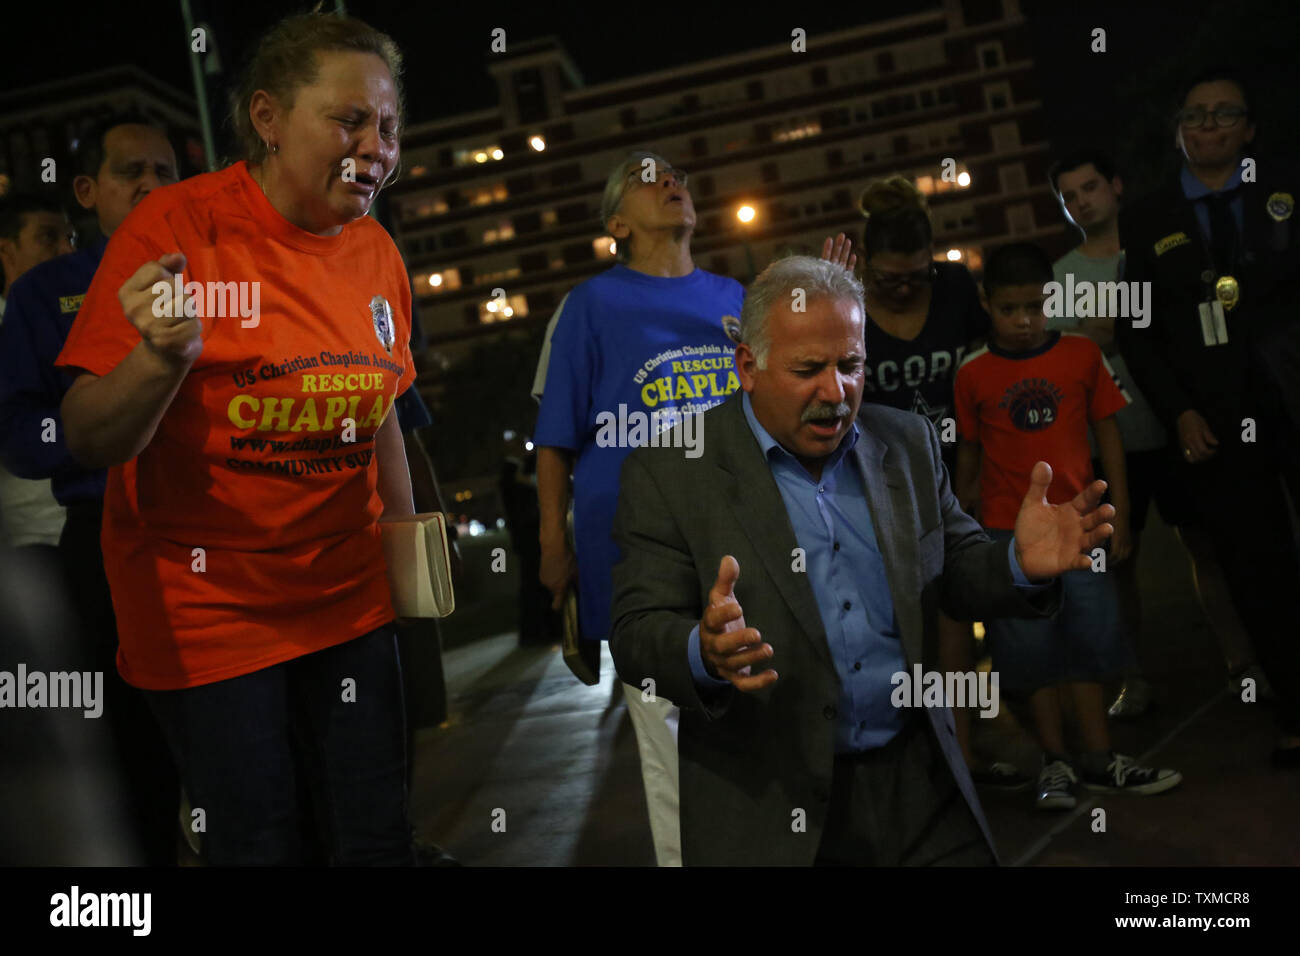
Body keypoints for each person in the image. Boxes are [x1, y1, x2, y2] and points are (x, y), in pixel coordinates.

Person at [607, 254, 1122, 866]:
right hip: (777, 805)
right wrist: (703, 650)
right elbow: (636, 635)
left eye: (851, 365)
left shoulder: (905, 442)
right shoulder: (670, 471)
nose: (836, 391)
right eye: (808, 370)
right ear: (748, 365)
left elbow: (955, 569)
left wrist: (1015, 563)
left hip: (922, 785)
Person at [54, 11, 422, 864]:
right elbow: (86, 436)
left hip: (348, 600)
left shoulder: (375, 252)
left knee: (375, 836)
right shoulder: (176, 231)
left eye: (390, 125)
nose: (377, 144)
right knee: (259, 843)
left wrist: (410, 557)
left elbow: (385, 416)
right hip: (210, 612)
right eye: (349, 119)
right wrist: (161, 357)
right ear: (266, 118)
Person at [532, 149, 743, 866]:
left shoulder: (736, 299)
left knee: (755, 715)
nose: (672, 183)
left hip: (737, 535)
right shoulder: (589, 305)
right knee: (667, 734)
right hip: (631, 547)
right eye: (649, 180)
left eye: (678, 176)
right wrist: (552, 547)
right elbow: (556, 438)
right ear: (617, 223)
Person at [0, 114, 181, 863]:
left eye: (165, 172)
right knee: (129, 748)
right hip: (102, 544)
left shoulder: (222, 270)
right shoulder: (49, 294)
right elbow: (20, 434)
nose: (149, 184)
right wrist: (90, 438)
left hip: (216, 537)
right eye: (129, 171)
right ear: (88, 190)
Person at [954, 242, 1182, 810]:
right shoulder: (972, 372)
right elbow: (969, 459)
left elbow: (1109, 436)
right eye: (1010, 309)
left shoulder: (1081, 354)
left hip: (1081, 527)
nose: (1024, 321)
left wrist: (1120, 514)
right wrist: (971, 532)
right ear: (987, 304)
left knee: (1092, 640)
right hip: (1008, 536)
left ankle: (1100, 758)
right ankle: (1055, 763)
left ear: (1051, 300)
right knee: (1030, 653)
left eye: (1034, 306)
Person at [1116, 66, 1300, 766]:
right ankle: (1293, 707)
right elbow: (1138, 330)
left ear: (1249, 128)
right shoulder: (1150, 216)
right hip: (1214, 424)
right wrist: (1180, 412)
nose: (1209, 126)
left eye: (1225, 114)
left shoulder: (1286, 189)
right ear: (1178, 133)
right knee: (1256, 568)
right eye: (1195, 116)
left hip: (1293, 396)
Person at [824, 176, 1014, 790]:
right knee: (897, 621)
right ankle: (900, 754)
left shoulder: (956, 289)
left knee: (954, 610)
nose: (904, 287)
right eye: (888, 278)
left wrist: (981, 469)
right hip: (878, 482)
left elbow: (991, 374)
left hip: (959, 471)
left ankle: (961, 751)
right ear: (865, 267)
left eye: (916, 275)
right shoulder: (847, 303)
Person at [0, 192, 73, 554]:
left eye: (70, 238)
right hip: (32, 538)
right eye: (47, 238)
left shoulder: (79, 321)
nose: (66, 251)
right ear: (7, 253)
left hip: (96, 521)